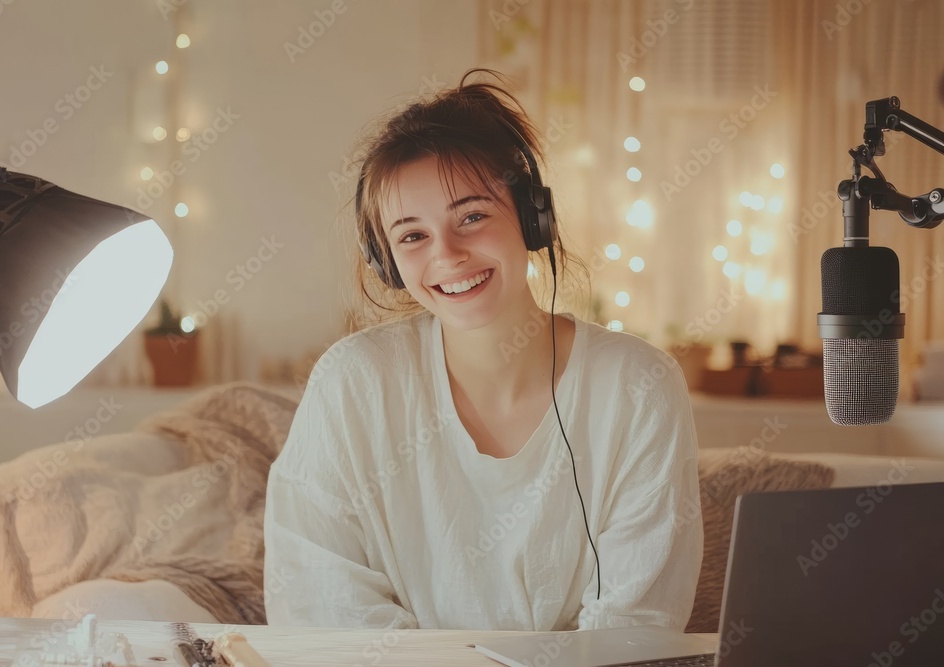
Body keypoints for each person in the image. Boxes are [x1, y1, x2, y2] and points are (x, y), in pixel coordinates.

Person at [263, 69, 703, 631]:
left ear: (530, 218)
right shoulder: (354, 381)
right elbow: (316, 598)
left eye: (472, 216)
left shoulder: (639, 385)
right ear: (386, 261)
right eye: (413, 235)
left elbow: (637, 621)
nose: (447, 255)